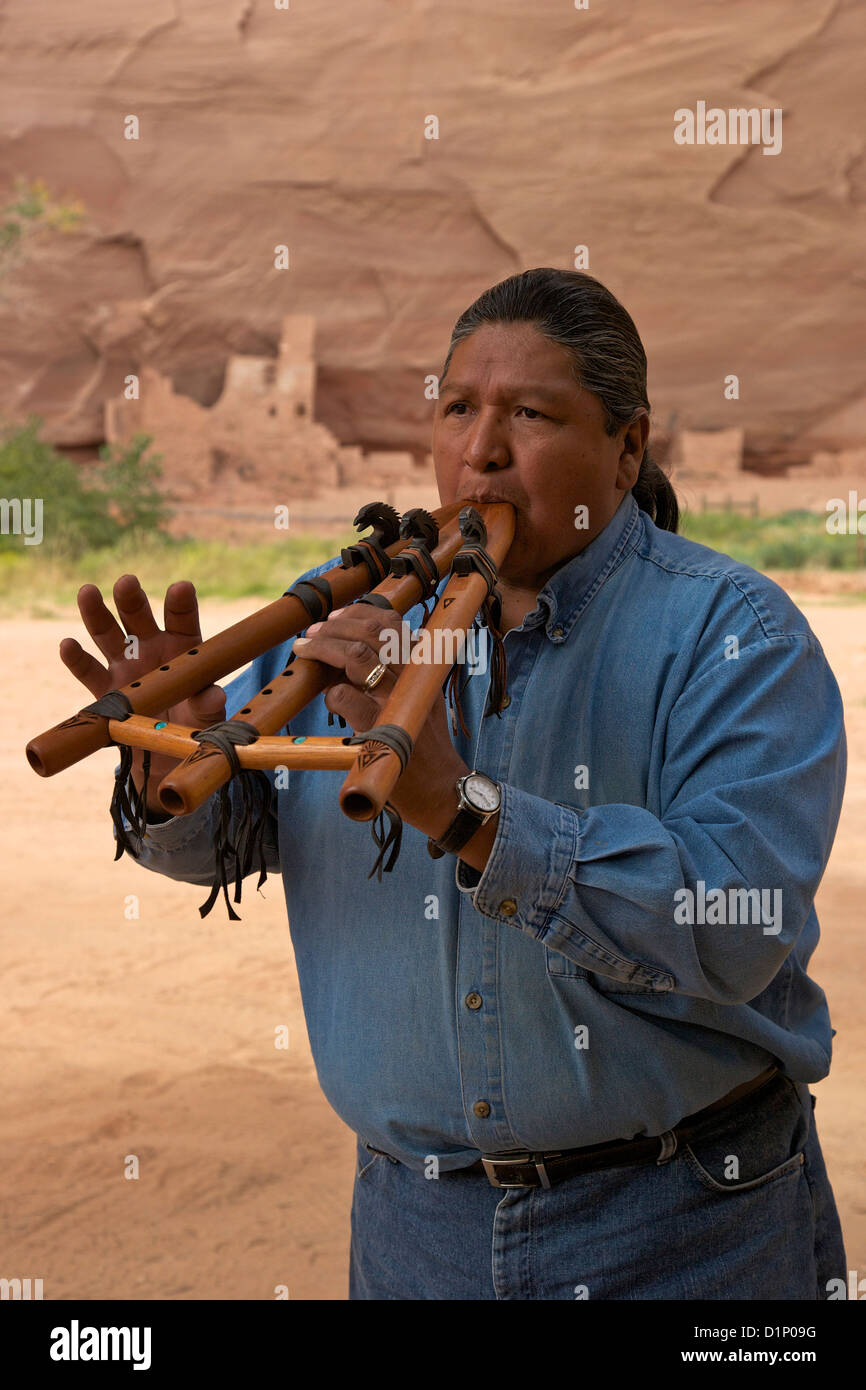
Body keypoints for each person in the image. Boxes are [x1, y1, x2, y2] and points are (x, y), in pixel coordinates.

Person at [60, 268, 848, 1300]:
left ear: (625, 447)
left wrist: (459, 804)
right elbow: (219, 847)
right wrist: (172, 762)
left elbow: (734, 923)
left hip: (686, 1224)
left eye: (530, 413)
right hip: (414, 1230)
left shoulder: (731, 634)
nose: (480, 449)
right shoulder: (337, 629)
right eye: (456, 409)